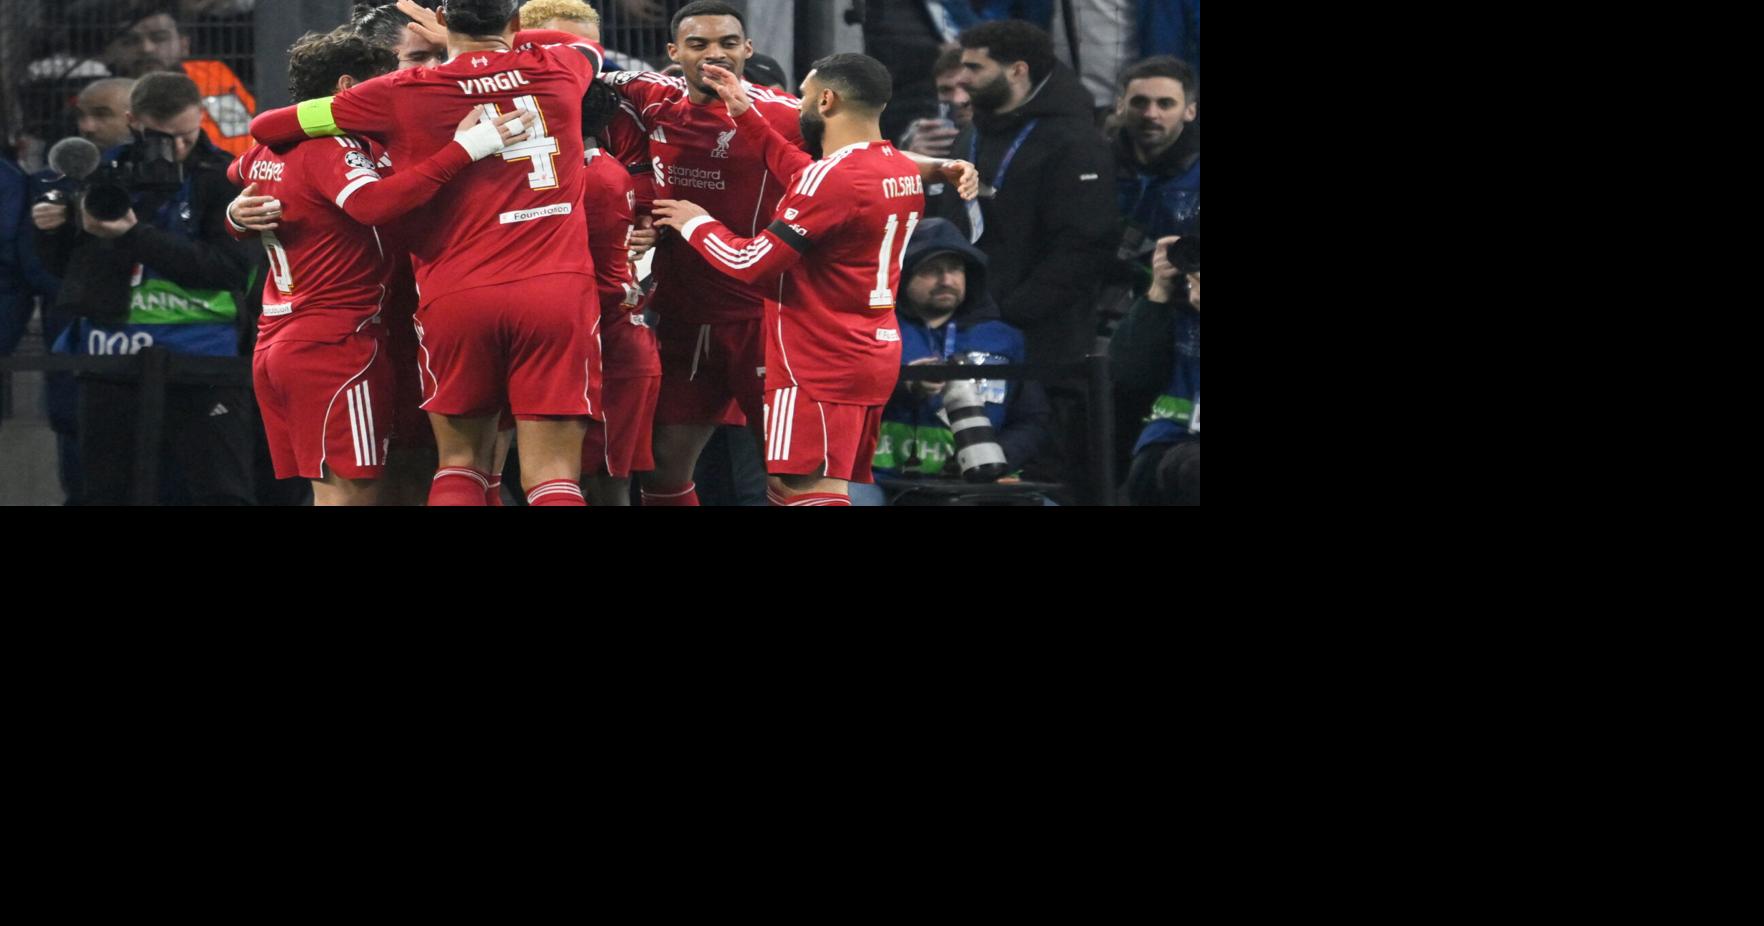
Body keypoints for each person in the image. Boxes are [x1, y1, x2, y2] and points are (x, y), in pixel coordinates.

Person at [248, 0, 607, 506]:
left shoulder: (400, 91)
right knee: (553, 477)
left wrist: (452, 52)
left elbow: (268, 126)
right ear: (514, 22)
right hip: (555, 291)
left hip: (455, 295)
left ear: (445, 19)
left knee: (459, 464)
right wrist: (476, 44)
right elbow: (586, 46)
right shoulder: (560, 69)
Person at [652, 52, 926, 507]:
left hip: (818, 358)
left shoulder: (833, 178)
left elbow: (753, 264)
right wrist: (746, 115)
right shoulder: (899, 169)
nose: (796, 106)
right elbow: (808, 180)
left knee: (806, 488)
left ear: (827, 101)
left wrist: (696, 223)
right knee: (799, 486)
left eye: (802, 96)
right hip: (869, 348)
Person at [31, 71, 261, 504]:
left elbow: (226, 269)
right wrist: (53, 231)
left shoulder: (222, 177)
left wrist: (134, 235)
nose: (177, 148)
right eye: (162, 136)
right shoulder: (104, 175)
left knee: (220, 491)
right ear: (134, 121)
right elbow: (67, 273)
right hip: (110, 357)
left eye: (188, 135)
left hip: (205, 360)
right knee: (106, 492)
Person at [931, 19, 1116, 364]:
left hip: (1042, 341)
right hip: (963, 321)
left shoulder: (1075, 141)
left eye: (974, 67)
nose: (961, 79)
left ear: (1017, 70)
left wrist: (1008, 312)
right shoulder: (972, 135)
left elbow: (1084, 247)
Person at [862, 217, 1051, 503]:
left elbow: (1032, 419)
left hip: (973, 484)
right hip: (877, 479)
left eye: (955, 269)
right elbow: (836, 408)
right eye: (931, 270)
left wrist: (996, 460)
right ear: (904, 274)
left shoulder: (1005, 339)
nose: (946, 280)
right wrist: (902, 386)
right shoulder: (869, 331)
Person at [1109, 233, 1198, 506]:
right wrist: (1158, 291)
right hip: (1167, 441)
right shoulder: (1176, 307)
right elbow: (1129, 376)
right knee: (1147, 474)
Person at [102, 2, 258, 157]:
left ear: (184, 44)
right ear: (112, 51)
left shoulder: (212, 72)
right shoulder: (106, 96)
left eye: (159, 38)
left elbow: (243, 133)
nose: (146, 48)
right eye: (131, 41)